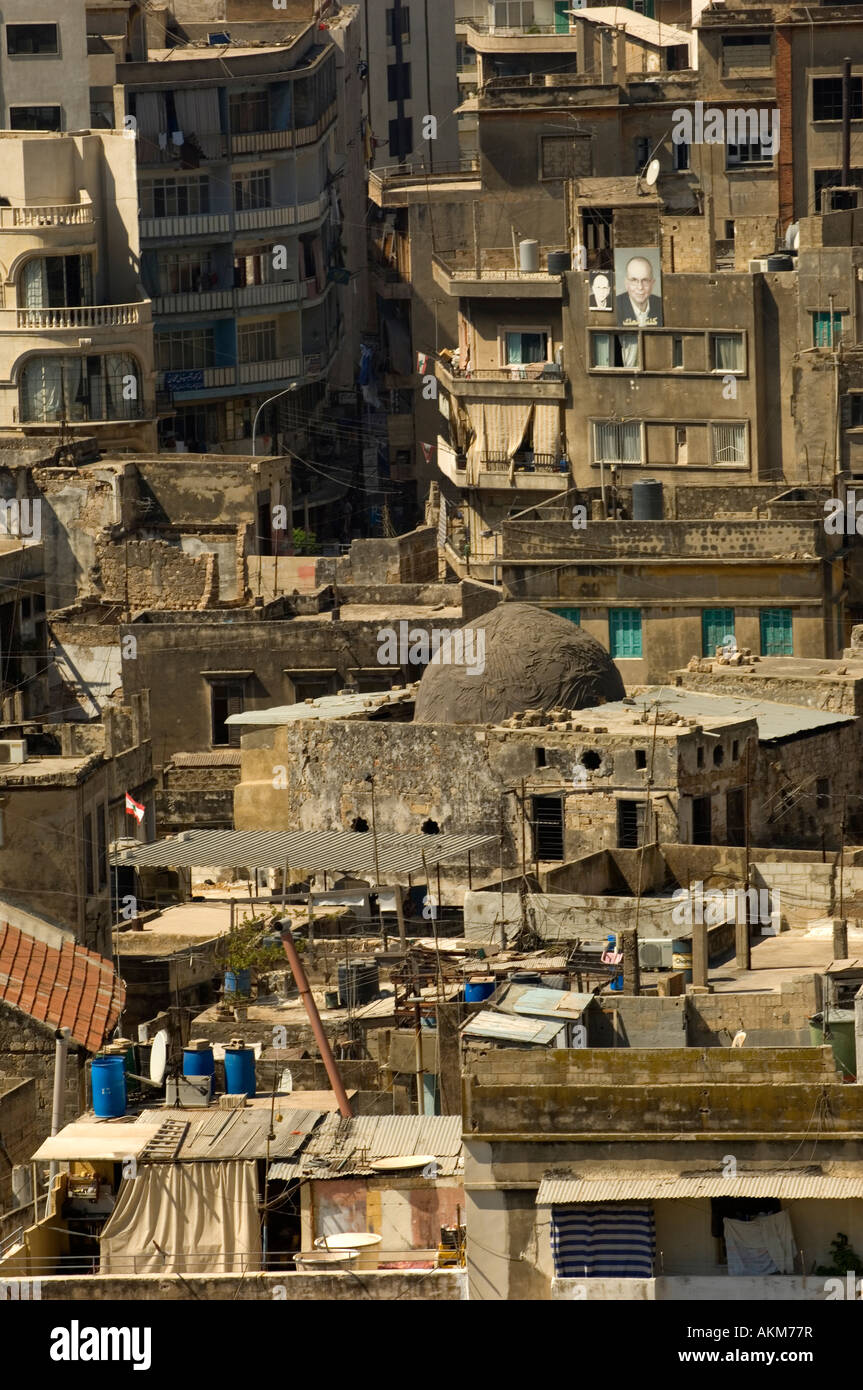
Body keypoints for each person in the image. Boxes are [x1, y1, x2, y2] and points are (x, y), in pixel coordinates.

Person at [615, 255, 663, 327]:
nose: (640, 287)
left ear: (652, 283)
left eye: (645, 280)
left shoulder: (662, 305)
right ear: (626, 283)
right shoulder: (616, 305)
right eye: (634, 280)